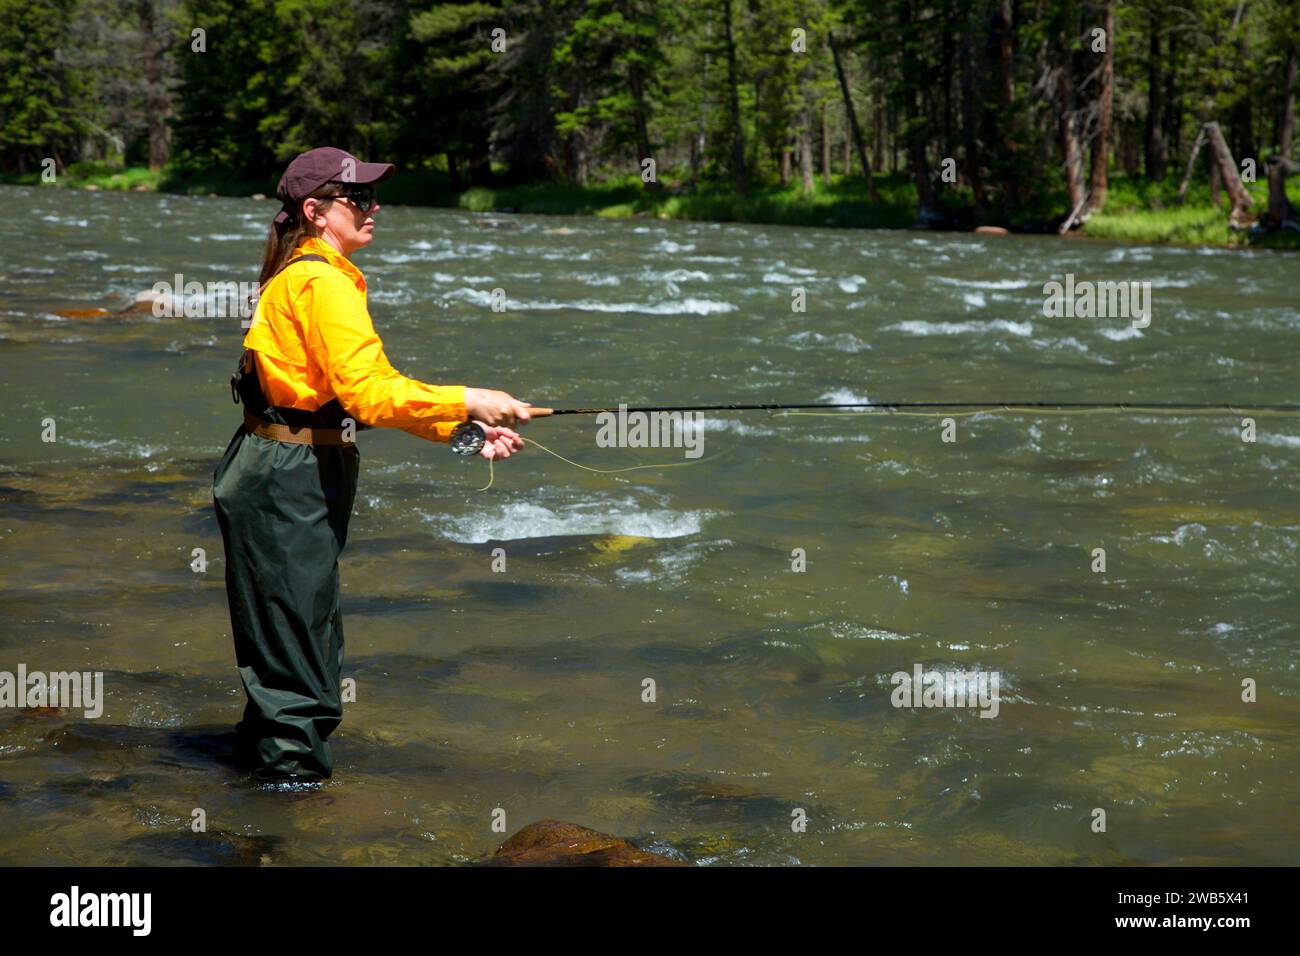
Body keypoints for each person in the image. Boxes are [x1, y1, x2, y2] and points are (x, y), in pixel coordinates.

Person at [212, 146, 530, 783]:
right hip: (287, 472)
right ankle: (292, 799)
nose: (371, 208)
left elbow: (357, 395)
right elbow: (366, 392)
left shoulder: (316, 273)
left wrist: (459, 430)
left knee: (300, 629)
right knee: (298, 640)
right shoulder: (319, 281)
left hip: (293, 463)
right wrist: (469, 396)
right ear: (316, 211)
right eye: (357, 199)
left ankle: (259, 783)